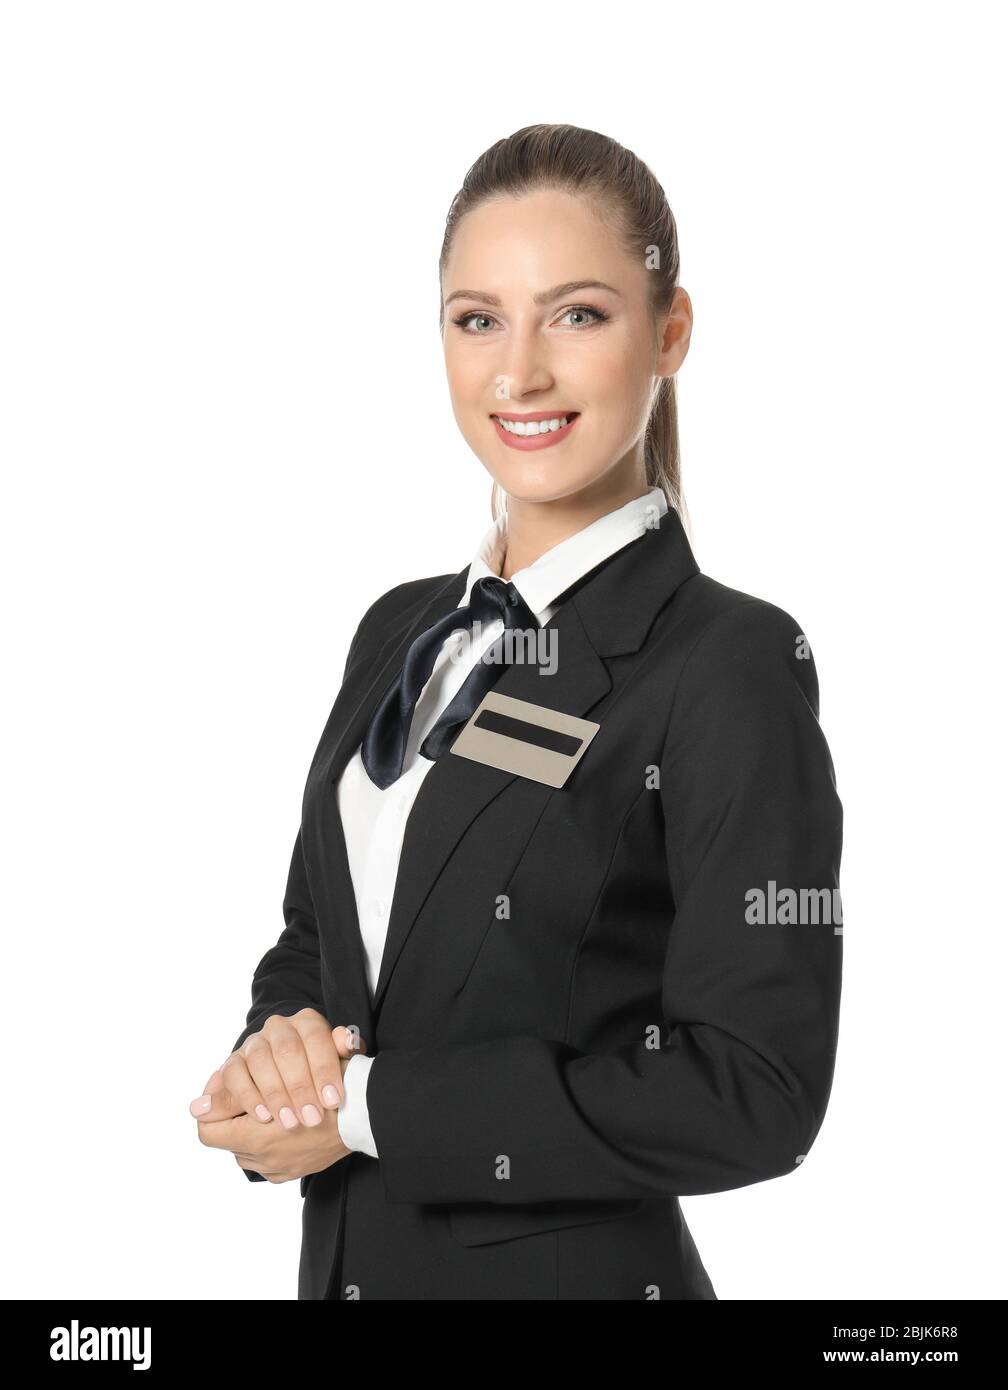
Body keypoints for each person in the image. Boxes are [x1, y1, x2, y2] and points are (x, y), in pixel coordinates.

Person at [191, 123, 843, 1301]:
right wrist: (282, 1047)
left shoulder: (728, 663)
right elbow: (322, 937)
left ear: (671, 332)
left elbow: (758, 1093)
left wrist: (370, 1108)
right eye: (477, 318)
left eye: (578, 314)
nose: (519, 373)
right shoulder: (399, 627)